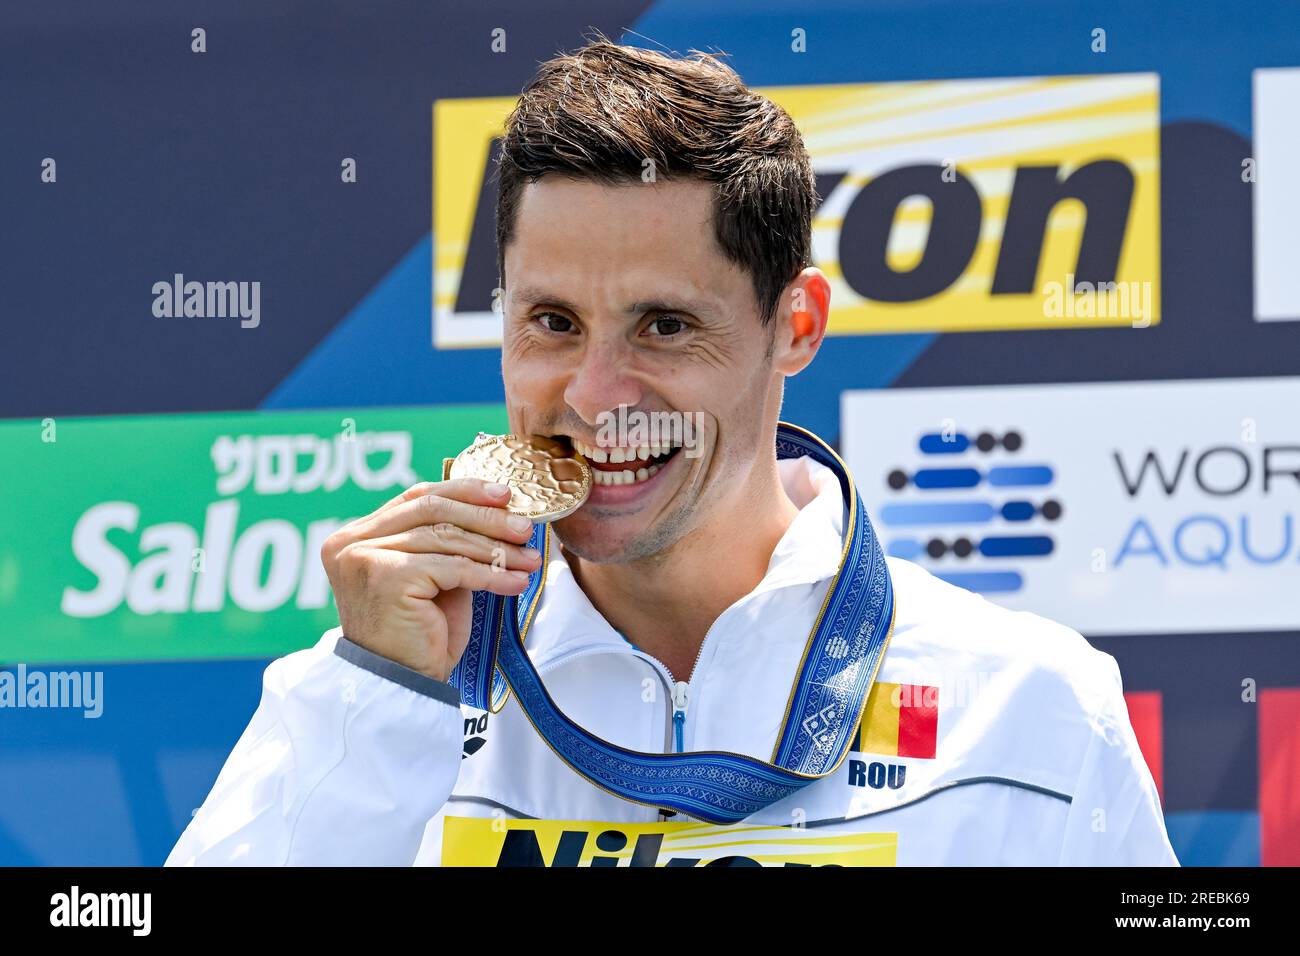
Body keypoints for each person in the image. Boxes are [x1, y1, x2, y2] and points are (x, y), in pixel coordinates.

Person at [167, 37, 1178, 867]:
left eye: (663, 326)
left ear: (797, 326)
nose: (595, 394)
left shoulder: (1029, 704)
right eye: (553, 321)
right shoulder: (394, 685)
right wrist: (375, 703)